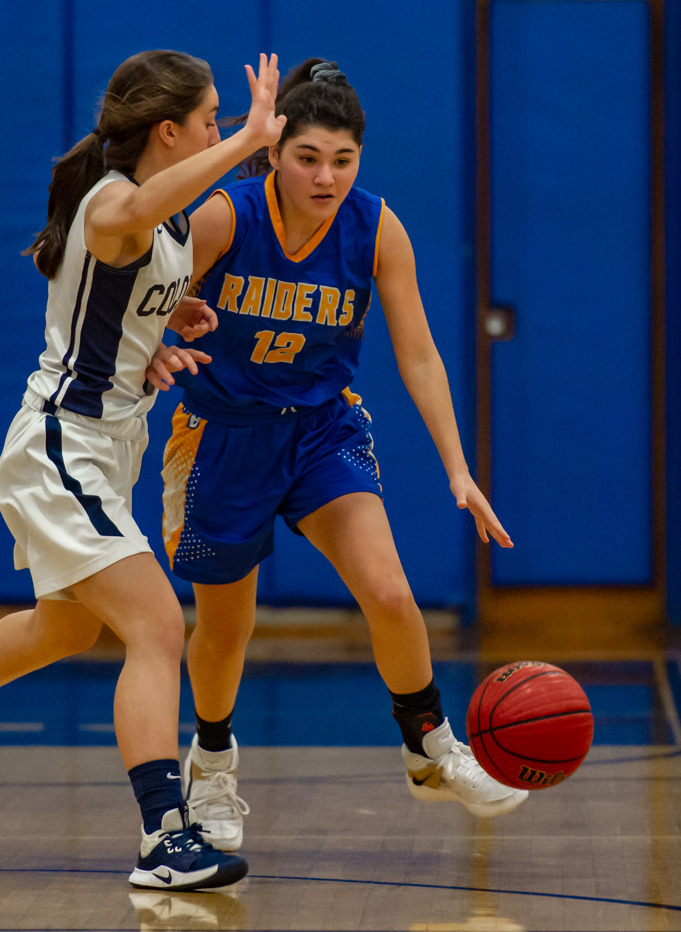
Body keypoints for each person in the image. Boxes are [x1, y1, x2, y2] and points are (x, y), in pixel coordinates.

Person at [0, 49, 288, 891]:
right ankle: (164, 838)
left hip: (106, 448)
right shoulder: (112, 201)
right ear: (169, 132)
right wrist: (250, 140)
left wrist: (162, 335)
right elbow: (131, 215)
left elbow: (118, 308)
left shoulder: (170, 227)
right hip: (62, 449)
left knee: (65, 628)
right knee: (158, 627)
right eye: (210, 120)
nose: (219, 131)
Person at [145, 58, 528, 853]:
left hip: (321, 428)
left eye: (343, 160)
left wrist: (458, 467)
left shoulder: (377, 228)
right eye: (309, 158)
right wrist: (155, 339)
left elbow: (418, 354)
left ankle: (429, 748)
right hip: (223, 434)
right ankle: (210, 764)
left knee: (389, 591)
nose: (326, 177)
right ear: (274, 153)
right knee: (227, 627)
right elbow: (134, 300)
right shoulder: (224, 218)